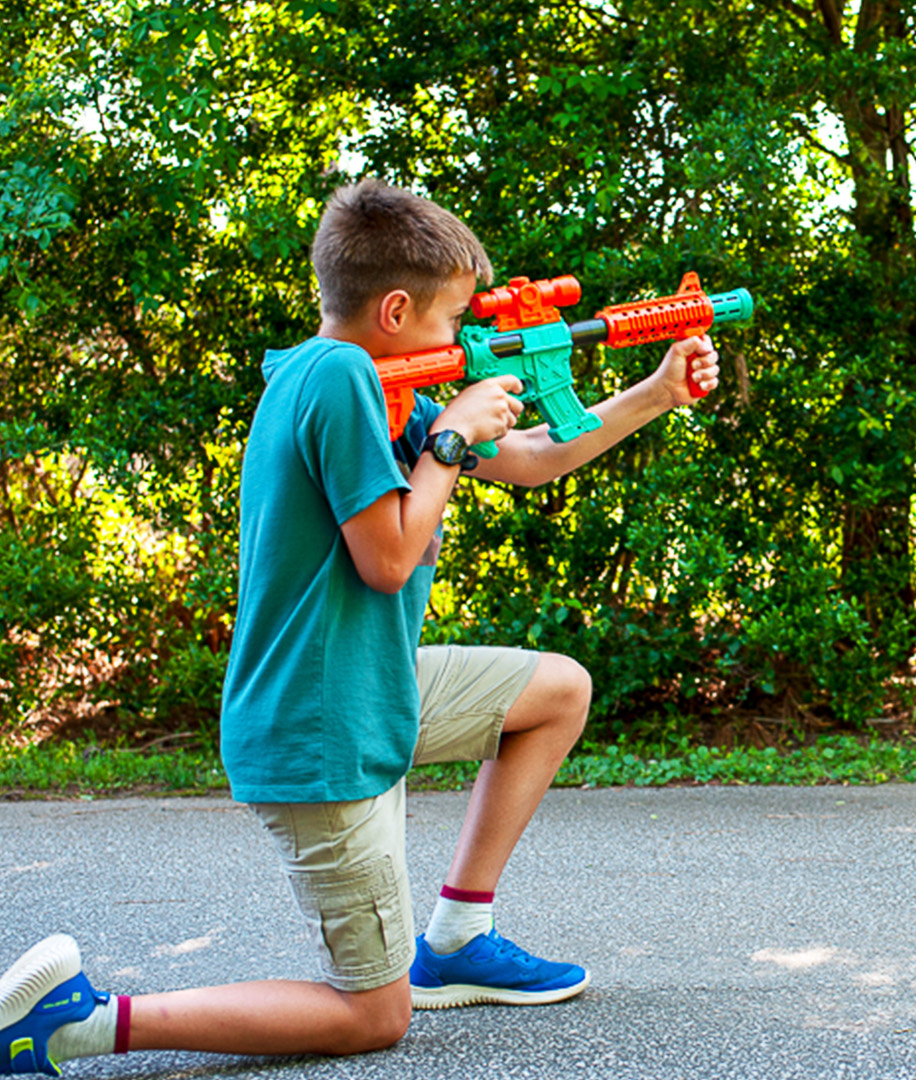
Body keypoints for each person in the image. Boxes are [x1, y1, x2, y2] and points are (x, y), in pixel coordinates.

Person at [0, 178, 720, 1075]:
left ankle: (458, 940)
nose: (463, 339)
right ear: (393, 310)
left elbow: (533, 459)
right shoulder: (338, 378)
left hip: (370, 684)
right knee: (373, 1017)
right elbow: (388, 557)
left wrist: (656, 391)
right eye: (454, 319)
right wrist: (451, 441)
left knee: (557, 691)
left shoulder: (385, 385)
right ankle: (76, 1021)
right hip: (320, 726)